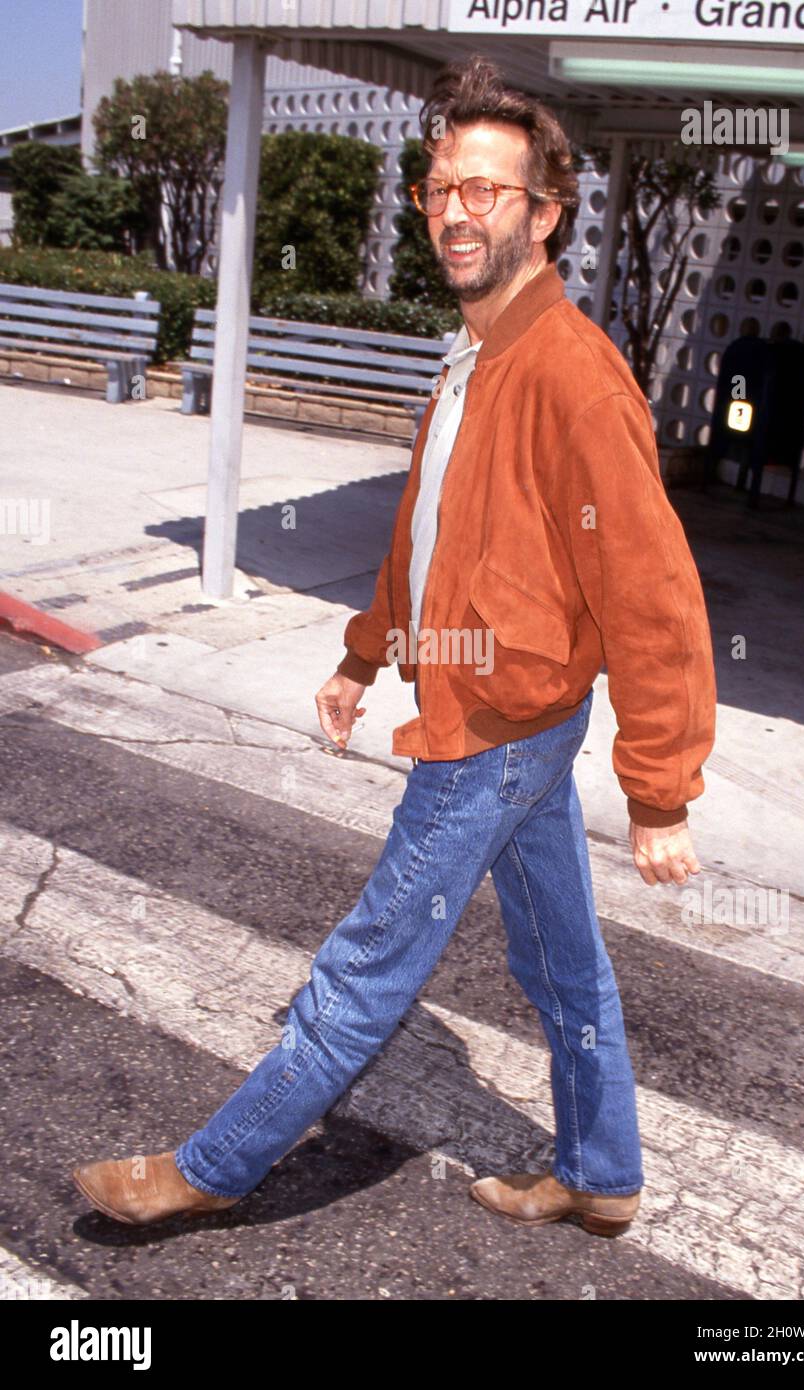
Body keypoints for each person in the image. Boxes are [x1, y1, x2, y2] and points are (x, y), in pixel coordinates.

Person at [72, 54, 716, 1239]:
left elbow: (657, 596)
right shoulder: (474, 355)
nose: (456, 209)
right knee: (562, 965)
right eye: (439, 187)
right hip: (503, 707)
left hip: (495, 731)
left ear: (543, 211)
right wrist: (366, 655)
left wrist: (661, 788)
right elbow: (426, 535)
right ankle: (604, 1170)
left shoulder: (575, 377)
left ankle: (216, 1163)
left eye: (485, 189)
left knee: (367, 965)